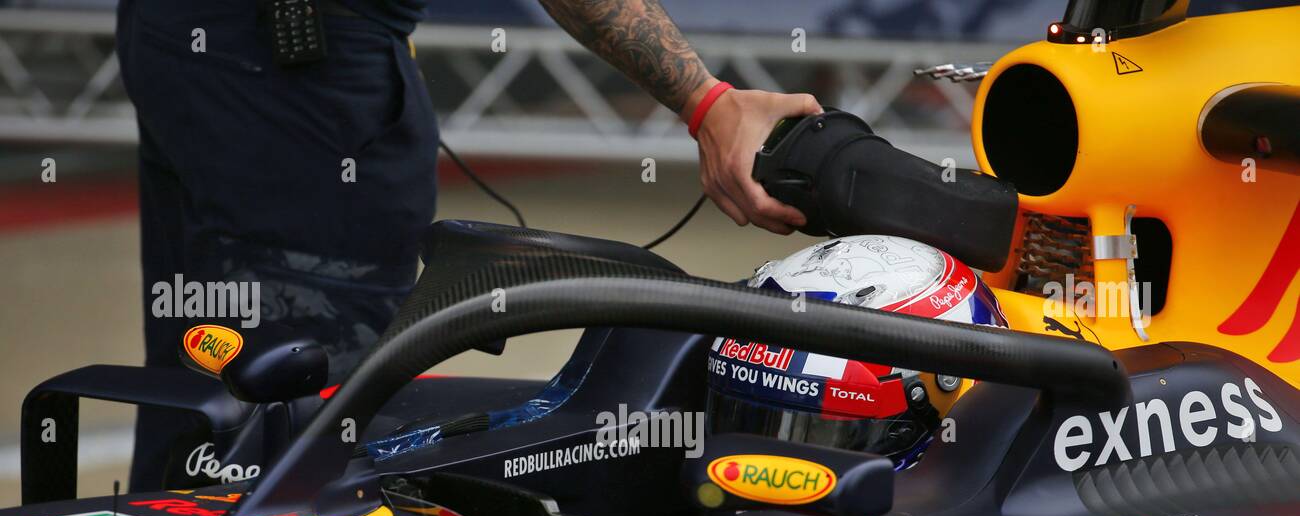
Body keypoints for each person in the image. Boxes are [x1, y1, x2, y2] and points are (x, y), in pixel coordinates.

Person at [116, 0, 820, 489]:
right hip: (294, 74)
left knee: (209, 363)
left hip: (198, 44)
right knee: (311, 416)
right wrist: (706, 102)